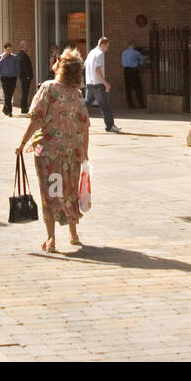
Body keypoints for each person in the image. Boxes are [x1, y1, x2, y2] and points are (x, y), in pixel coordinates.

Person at [16, 47, 90, 252]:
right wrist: (84, 152)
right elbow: (84, 125)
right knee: (70, 191)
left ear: (62, 67)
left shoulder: (48, 88)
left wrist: (22, 143)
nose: (55, 61)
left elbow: (37, 120)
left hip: (49, 153)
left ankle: (51, 239)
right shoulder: (77, 94)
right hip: (72, 152)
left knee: (51, 193)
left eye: (59, 59)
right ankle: (73, 233)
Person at [83, 36, 121, 133]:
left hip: (90, 84)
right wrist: (105, 83)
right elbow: (97, 69)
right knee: (105, 106)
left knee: (85, 105)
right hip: (98, 84)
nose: (107, 49)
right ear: (103, 45)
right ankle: (110, 126)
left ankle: (75, 121)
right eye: (107, 47)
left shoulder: (91, 52)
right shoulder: (100, 53)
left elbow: (85, 65)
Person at [0, 42, 19, 117]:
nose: (9, 51)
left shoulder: (14, 58)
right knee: (6, 93)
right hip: (4, 78)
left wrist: (17, 76)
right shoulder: (0, 57)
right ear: (4, 49)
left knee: (10, 94)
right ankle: (9, 111)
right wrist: (3, 58)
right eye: (8, 49)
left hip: (12, 78)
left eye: (10, 49)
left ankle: (5, 108)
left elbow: (17, 68)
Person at [121, 42, 147, 110]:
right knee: (138, 88)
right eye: (134, 45)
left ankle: (130, 105)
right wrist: (140, 63)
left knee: (128, 88)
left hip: (126, 70)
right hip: (134, 71)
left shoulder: (123, 52)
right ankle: (141, 104)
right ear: (133, 45)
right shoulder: (136, 53)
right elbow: (143, 59)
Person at [17, 41, 34, 116]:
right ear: (23, 46)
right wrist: (28, 76)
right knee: (25, 92)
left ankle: (24, 107)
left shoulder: (19, 55)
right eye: (26, 45)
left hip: (22, 76)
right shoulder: (24, 55)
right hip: (25, 77)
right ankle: (24, 108)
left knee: (24, 92)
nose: (28, 47)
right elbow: (26, 66)